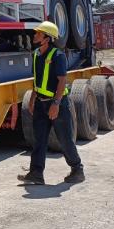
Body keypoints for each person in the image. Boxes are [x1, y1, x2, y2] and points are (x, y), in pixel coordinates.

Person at [17, 21, 85, 185]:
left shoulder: (57, 55)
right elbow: (37, 80)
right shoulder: (36, 54)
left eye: (38, 33)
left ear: (47, 38)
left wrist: (55, 104)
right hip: (40, 103)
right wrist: (32, 99)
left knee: (64, 139)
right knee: (39, 139)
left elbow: (62, 81)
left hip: (57, 105)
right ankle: (36, 173)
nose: (35, 36)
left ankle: (77, 170)